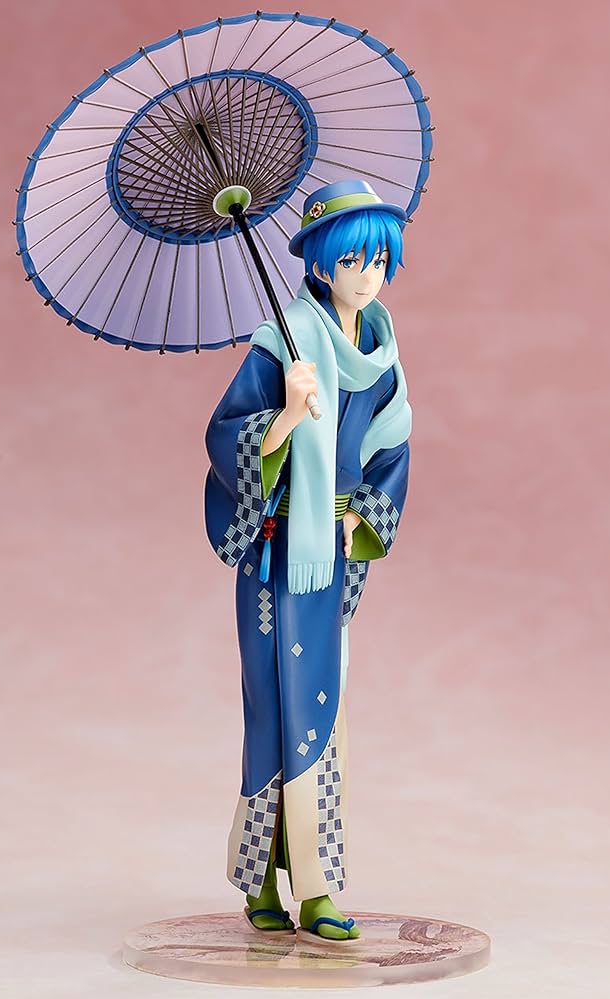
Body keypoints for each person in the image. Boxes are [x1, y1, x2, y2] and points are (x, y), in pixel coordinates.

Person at [204, 179, 412, 940]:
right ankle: (261, 878)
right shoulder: (280, 342)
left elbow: (392, 448)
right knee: (271, 706)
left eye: (379, 260)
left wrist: (360, 513)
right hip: (277, 550)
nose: (367, 275)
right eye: (352, 260)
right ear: (319, 264)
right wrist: (287, 415)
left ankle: (319, 888)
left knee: (323, 707)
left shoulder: (380, 353)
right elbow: (224, 437)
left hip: (333, 553)